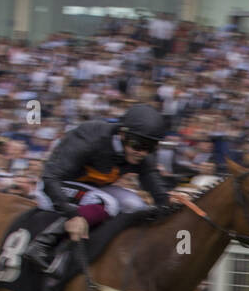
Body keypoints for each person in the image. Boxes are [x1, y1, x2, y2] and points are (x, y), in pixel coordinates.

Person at [23, 103, 187, 271]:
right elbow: (50, 177)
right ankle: (43, 242)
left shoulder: (140, 153)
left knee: (136, 205)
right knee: (109, 204)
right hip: (53, 187)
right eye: (138, 145)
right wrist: (72, 215)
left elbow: (156, 190)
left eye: (150, 148)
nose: (143, 153)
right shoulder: (91, 138)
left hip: (88, 190)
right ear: (123, 134)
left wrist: (170, 203)